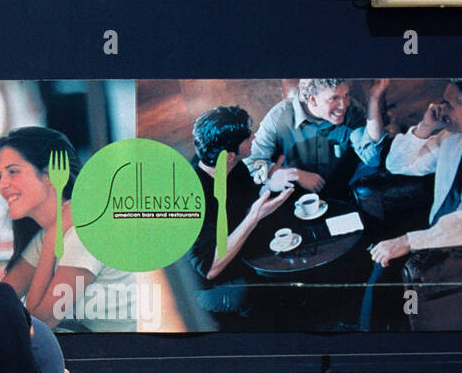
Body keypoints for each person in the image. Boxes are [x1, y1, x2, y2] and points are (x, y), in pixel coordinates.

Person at [0, 126, 136, 330]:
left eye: (13, 172)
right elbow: (1, 300)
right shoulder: (51, 230)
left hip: (124, 354)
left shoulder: (83, 232)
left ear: (50, 175)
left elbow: (40, 321)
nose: (2, 185)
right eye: (0, 175)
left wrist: (53, 237)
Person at [185, 106, 295, 327]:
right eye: (247, 137)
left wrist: (269, 185)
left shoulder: (232, 167)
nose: (253, 137)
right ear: (229, 155)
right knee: (262, 293)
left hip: (237, 251)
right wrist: (254, 216)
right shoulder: (192, 196)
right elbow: (209, 269)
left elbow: (247, 204)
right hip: (211, 287)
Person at [246, 78, 388, 199]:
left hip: (341, 192)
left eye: (346, 95)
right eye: (334, 98)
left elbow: (372, 158)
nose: (344, 105)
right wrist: (291, 174)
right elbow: (252, 162)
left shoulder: (353, 112)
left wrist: (374, 100)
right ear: (312, 100)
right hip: (294, 196)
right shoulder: (278, 118)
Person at [372, 80, 462, 269]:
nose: (442, 110)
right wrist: (425, 127)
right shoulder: (452, 138)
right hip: (435, 239)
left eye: (450, 105)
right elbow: (397, 165)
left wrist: (408, 241)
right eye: (443, 101)